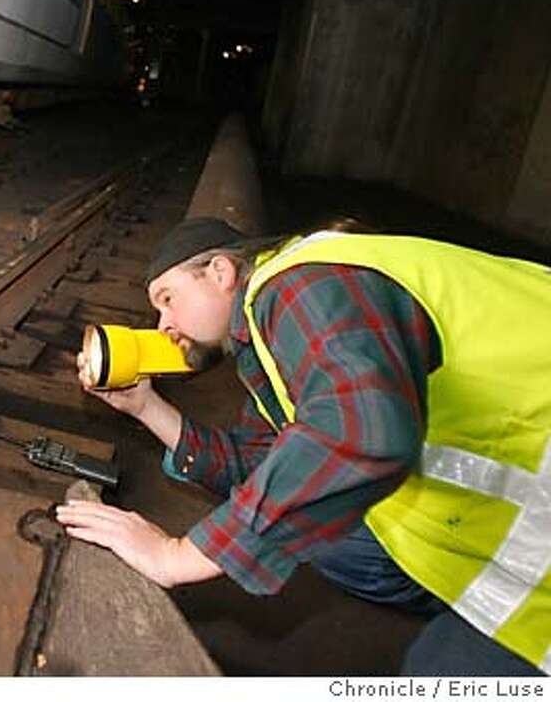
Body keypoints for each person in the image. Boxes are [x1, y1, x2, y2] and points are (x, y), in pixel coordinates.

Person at [56, 217, 551, 675]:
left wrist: (176, 556)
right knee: (331, 537)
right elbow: (256, 467)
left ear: (221, 272)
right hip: (518, 514)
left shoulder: (302, 284)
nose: (162, 323)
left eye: (168, 298)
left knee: (436, 673)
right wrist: (145, 408)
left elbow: (359, 432)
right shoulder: (272, 341)